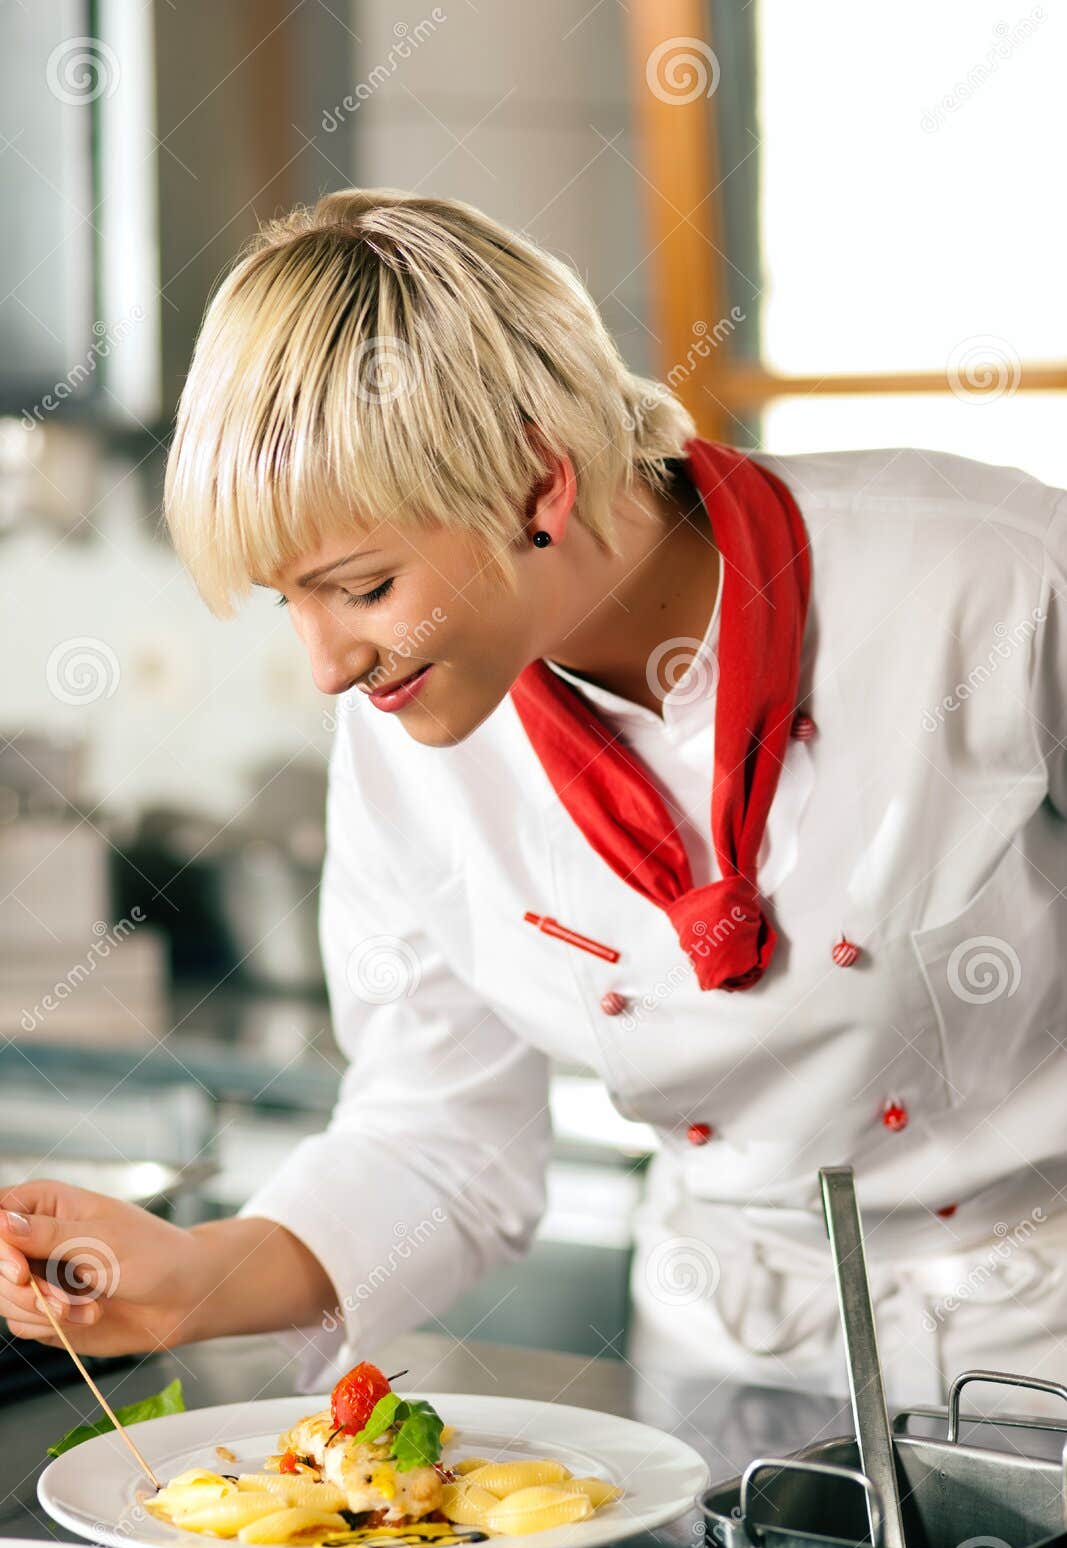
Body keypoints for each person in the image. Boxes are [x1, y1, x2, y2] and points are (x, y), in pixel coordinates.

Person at [3, 189, 1066, 1416]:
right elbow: (434, 1142)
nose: (325, 665)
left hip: (1037, 1348)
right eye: (285, 600)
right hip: (732, 1365)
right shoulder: (406, 731)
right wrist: (194, 1276)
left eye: (360, 586)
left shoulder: (987, 581)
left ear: (536, 486)